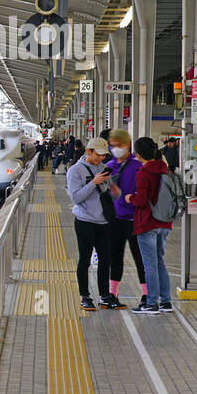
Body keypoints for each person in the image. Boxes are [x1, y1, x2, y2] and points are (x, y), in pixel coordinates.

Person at [66, 136, 119, 311]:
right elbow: (76, 197)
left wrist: (107, 185)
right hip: (84, 221)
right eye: (98, 155)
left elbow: (105, 193)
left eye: (104, 155)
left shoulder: (103, 168)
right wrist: (93, 183)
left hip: (103, 222)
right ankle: (85, 296)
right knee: (85, 259)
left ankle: (104, 295)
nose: (101, 159)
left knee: (105, 260)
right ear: (88, 151)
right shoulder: (75, 171)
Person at [125, 136, 173, 314]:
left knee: (150, 264)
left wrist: (130, 198)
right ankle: (166, 302)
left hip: (147, 222)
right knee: (160, 261)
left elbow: (141, 201)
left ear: (137, 154)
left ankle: (151, 303)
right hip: (164, 222)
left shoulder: (143, 173)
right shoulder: (164, 169)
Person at [103, 129, 149, 311]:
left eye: (118, 145)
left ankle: (146, 295)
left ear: (127, 145)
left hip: (135, 219)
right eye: (112, 146)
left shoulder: (137, 166)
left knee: (140, 258)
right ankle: (112, 294)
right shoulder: (108, 166)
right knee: (115, 258)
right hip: (114, 220)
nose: (115, 149)